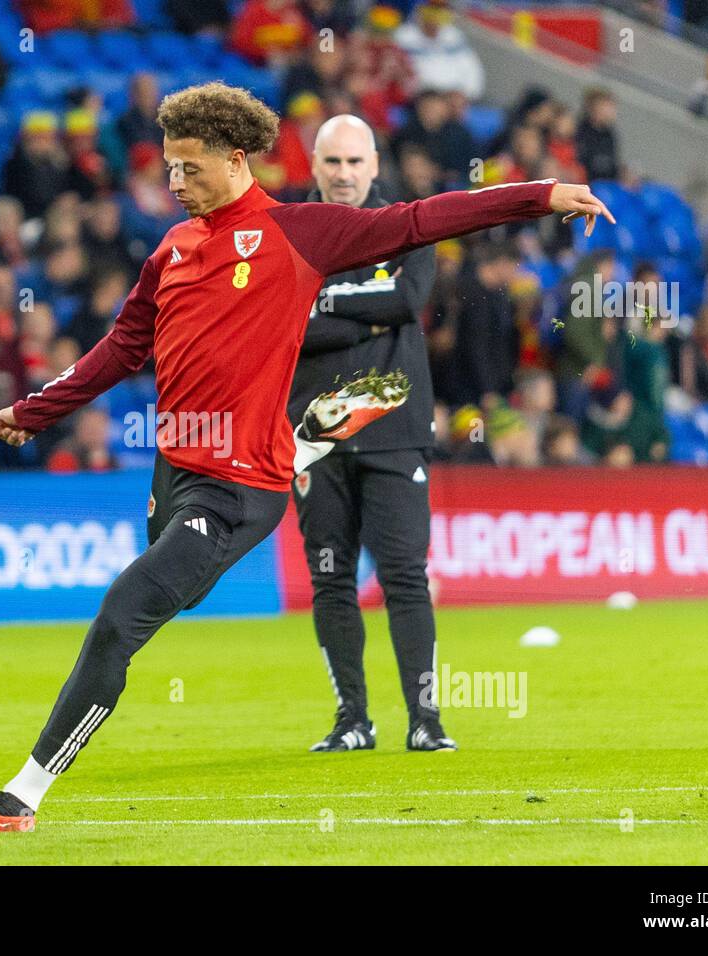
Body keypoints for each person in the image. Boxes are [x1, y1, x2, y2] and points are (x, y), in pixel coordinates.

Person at [0, 81, 611, 832]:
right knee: (170, 592)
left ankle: (23, 793)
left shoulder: (298, 234)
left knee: (123, 613)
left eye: (189, 168)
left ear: (236, 159)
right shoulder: (171, 251)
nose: (175, 184)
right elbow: (121, 348)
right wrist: (35, 411)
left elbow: (418, 218)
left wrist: (541, 195)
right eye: (169, 170)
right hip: (174, 472)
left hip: (242, 486)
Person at [280, 113, 449, 754]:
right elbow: (282, 325)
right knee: (331, 578)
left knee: (405, 576)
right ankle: (352, 719)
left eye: (355, 162)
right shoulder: (289, 236)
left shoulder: (408, 225)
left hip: (394, 430)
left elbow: (408, 302)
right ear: (315, 167)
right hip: (315, 437)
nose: (344, 174)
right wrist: (362, 308)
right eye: (333, 162)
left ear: (375, 166)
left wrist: (323, 300)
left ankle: (426, 721)